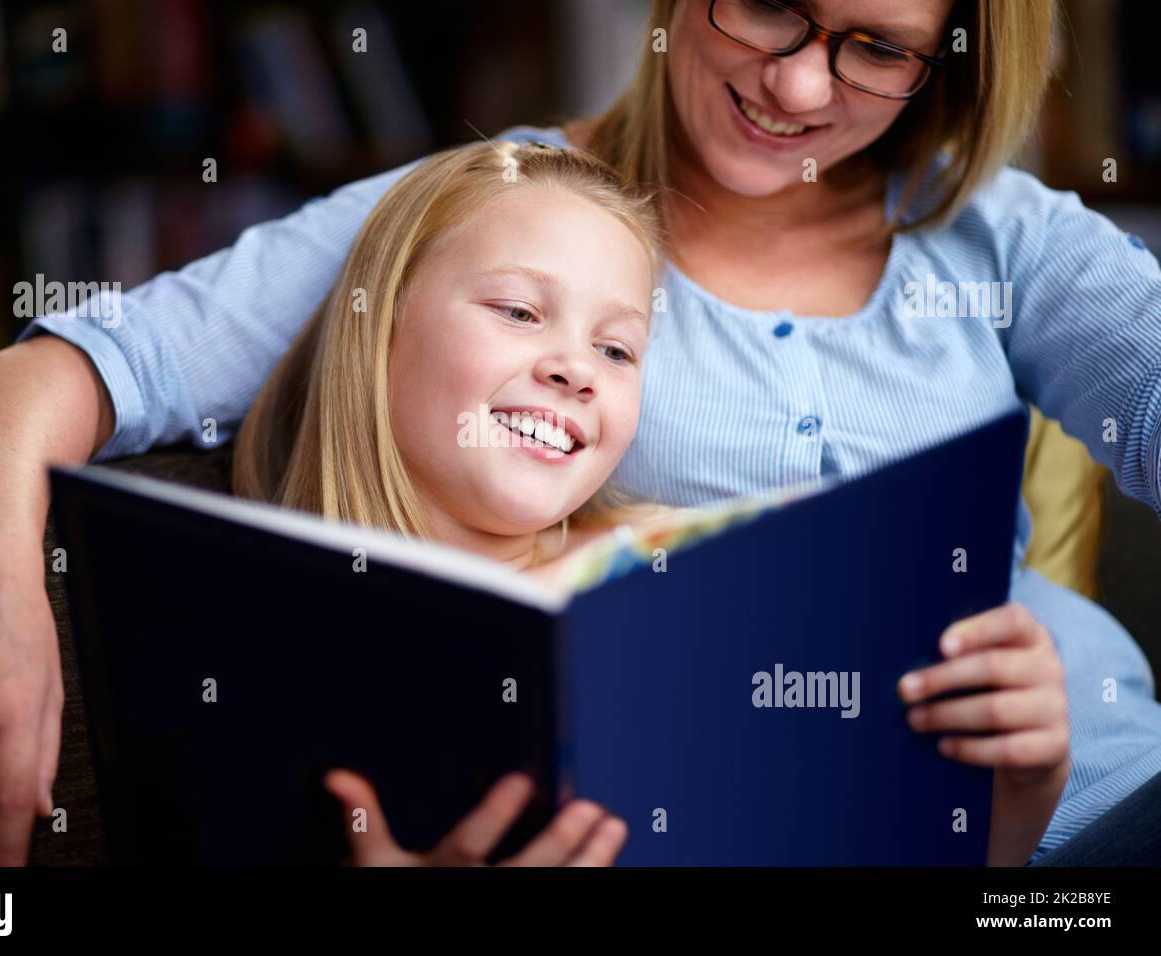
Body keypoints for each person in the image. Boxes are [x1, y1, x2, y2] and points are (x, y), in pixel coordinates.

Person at [0, 0, 1159, 867]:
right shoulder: (490, 220)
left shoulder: (1003, 234)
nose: (799, 80)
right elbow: (85, 368)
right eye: (770, 0)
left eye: (878, 47)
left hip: (1081, 794)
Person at [237, 138, 1068, 867]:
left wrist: (1020, 779)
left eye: (616, 347)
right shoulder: (261, 629)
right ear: (378, 324)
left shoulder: (689, 572)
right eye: (519, 311)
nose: (576, 368)